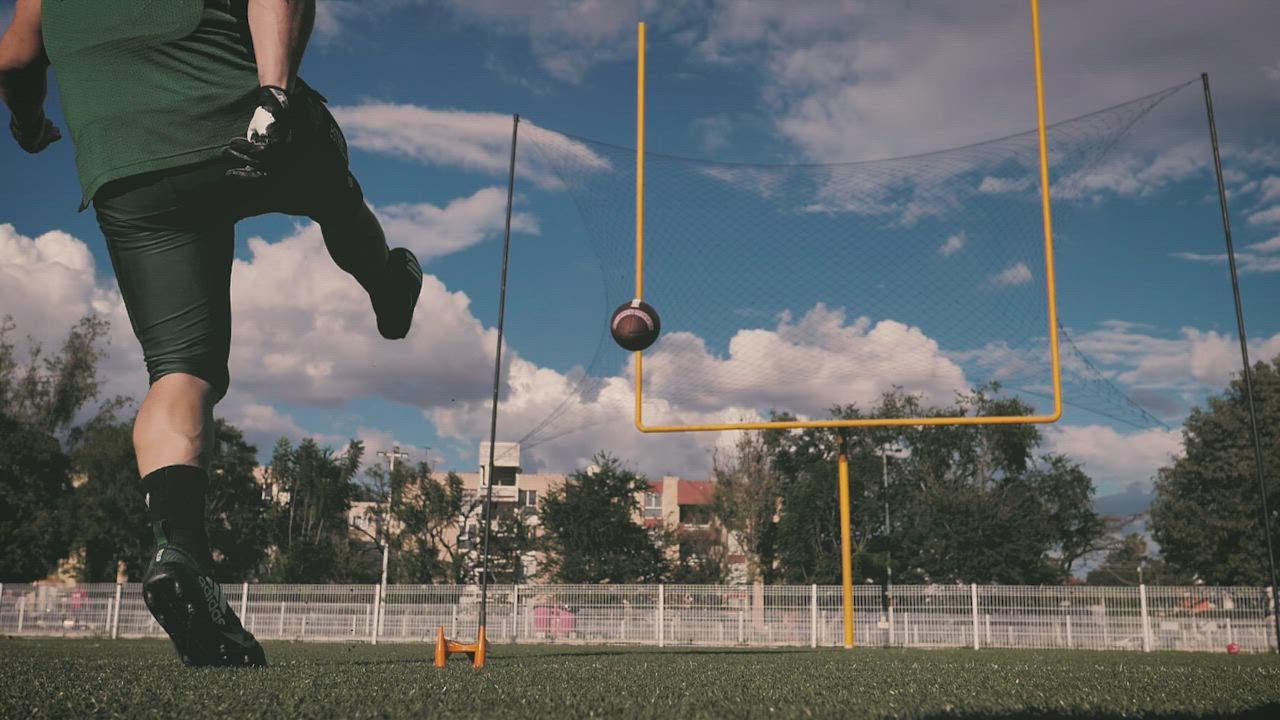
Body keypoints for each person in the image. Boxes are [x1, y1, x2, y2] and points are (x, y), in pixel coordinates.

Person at [0, 0, 422, 666]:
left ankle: (181, 551)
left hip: (124, 156)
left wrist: (27, 122)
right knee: (331, 185)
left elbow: (18, 56)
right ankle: (387, 282)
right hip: (230, 106)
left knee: (178, 369)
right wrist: (277, 90)